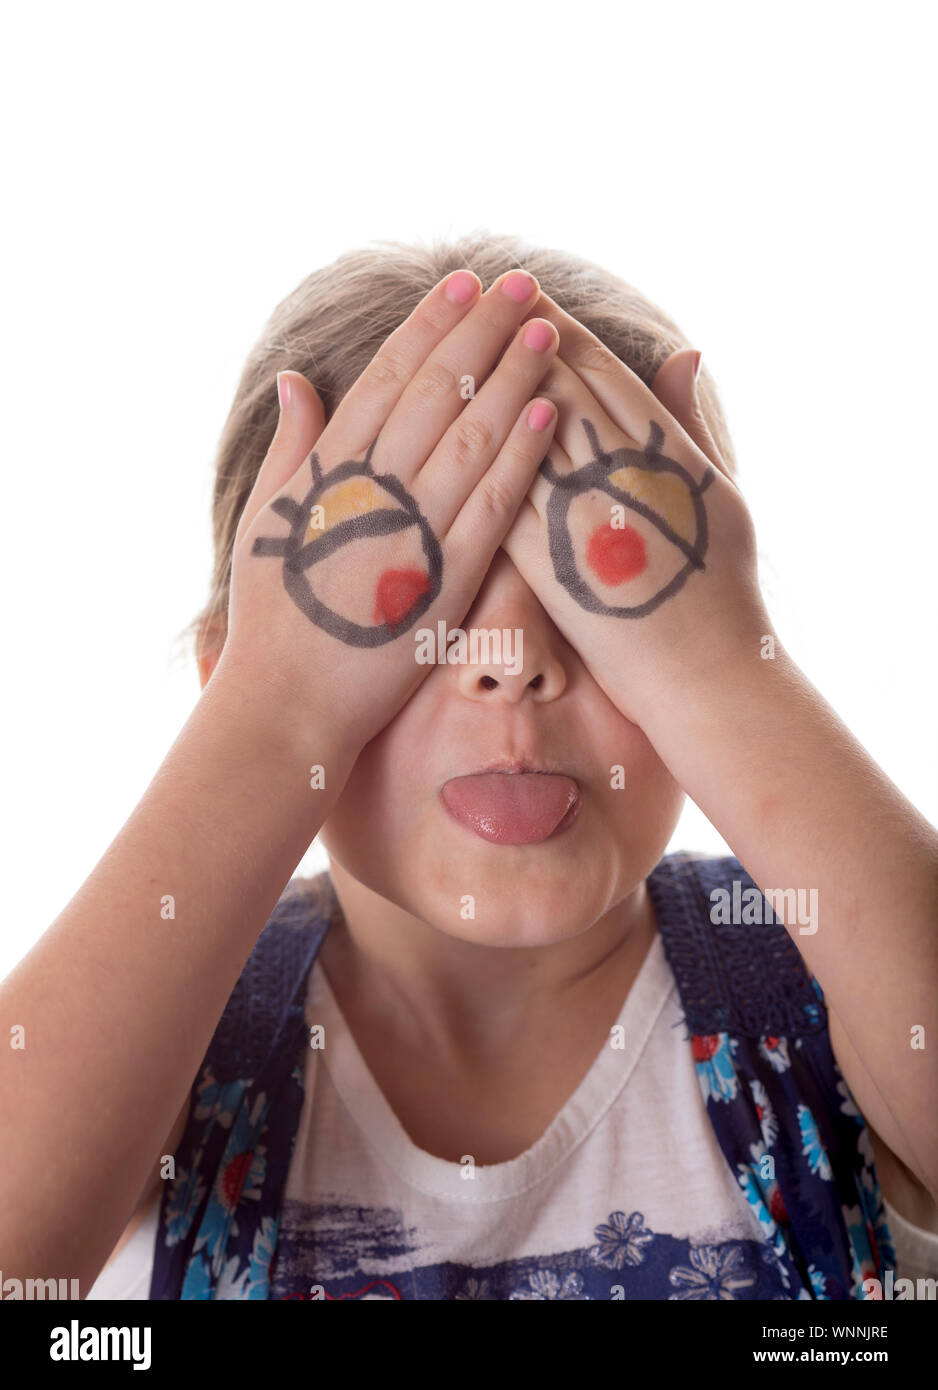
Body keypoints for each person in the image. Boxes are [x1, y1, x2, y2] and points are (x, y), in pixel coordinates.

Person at [3, 235, 936, 1301]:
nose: (511, 661)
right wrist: (273, 721)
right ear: (239, 681)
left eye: (602, 608)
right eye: (409, 610)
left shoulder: (827, 976)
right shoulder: (167, 1027)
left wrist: (725, 676)